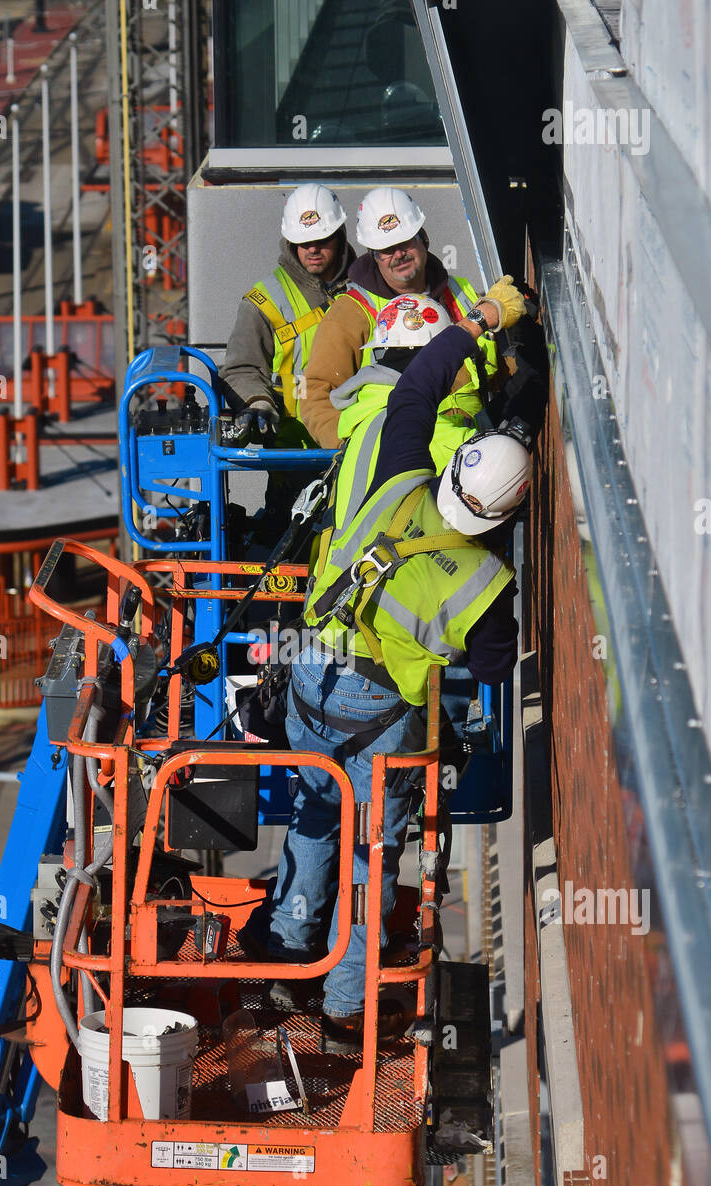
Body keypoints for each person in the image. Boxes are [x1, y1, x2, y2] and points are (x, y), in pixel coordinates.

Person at [265, 279, 532, 1051]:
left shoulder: (399, 475)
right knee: (372, 855)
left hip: (309, 681)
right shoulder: (482, 583)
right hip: (379, 716)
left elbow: (415, 389)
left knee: (316, 812)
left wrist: (483, 318)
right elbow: (494, 667)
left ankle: (288, 953)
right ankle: (344, 1008)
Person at [300, 185, 505, 450]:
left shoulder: (460, 295)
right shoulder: (351, 311)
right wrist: (351, 448)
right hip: (396, 456)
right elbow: (316, 391)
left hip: (471, 450)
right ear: (373, 256)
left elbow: (497, 370)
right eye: (386, 249)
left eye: (405, 242)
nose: (398, 254)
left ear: (424, 238)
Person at [221, 182, 354, 449]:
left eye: (322, 239)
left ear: (340, 236)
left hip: (360, 439)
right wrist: (258, 401)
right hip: (293, 449)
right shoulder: (264, 301)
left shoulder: (370, 288)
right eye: (303, 241)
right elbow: (241, 367)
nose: (312, 249)